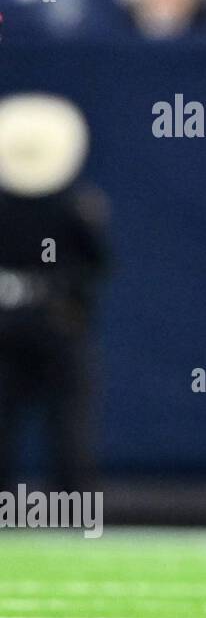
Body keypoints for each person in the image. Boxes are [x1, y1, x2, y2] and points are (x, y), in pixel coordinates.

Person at [0, 94, 109, 494]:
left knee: (67, 423)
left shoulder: (76, 205)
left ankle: (71, 504)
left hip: (50, 324)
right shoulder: (76, 205)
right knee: (27, 418)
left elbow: (96, 266)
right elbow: (99, 265)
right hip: (26, 325)